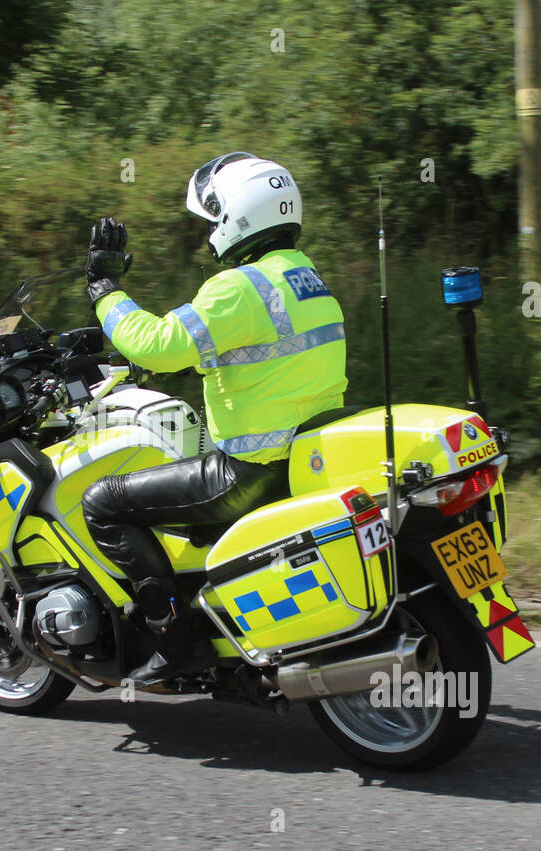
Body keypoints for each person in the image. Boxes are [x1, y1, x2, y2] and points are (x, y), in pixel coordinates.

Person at [81, 151, 349, 685]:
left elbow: (158, 345)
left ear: (236, 216)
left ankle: (177, 643)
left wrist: (105, 293)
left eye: (211, 220)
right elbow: (255, 356)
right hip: (302, 459)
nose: (207, 235)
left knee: (104, 502)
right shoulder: (305, 278)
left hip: (247, 472)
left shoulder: (238, 287)